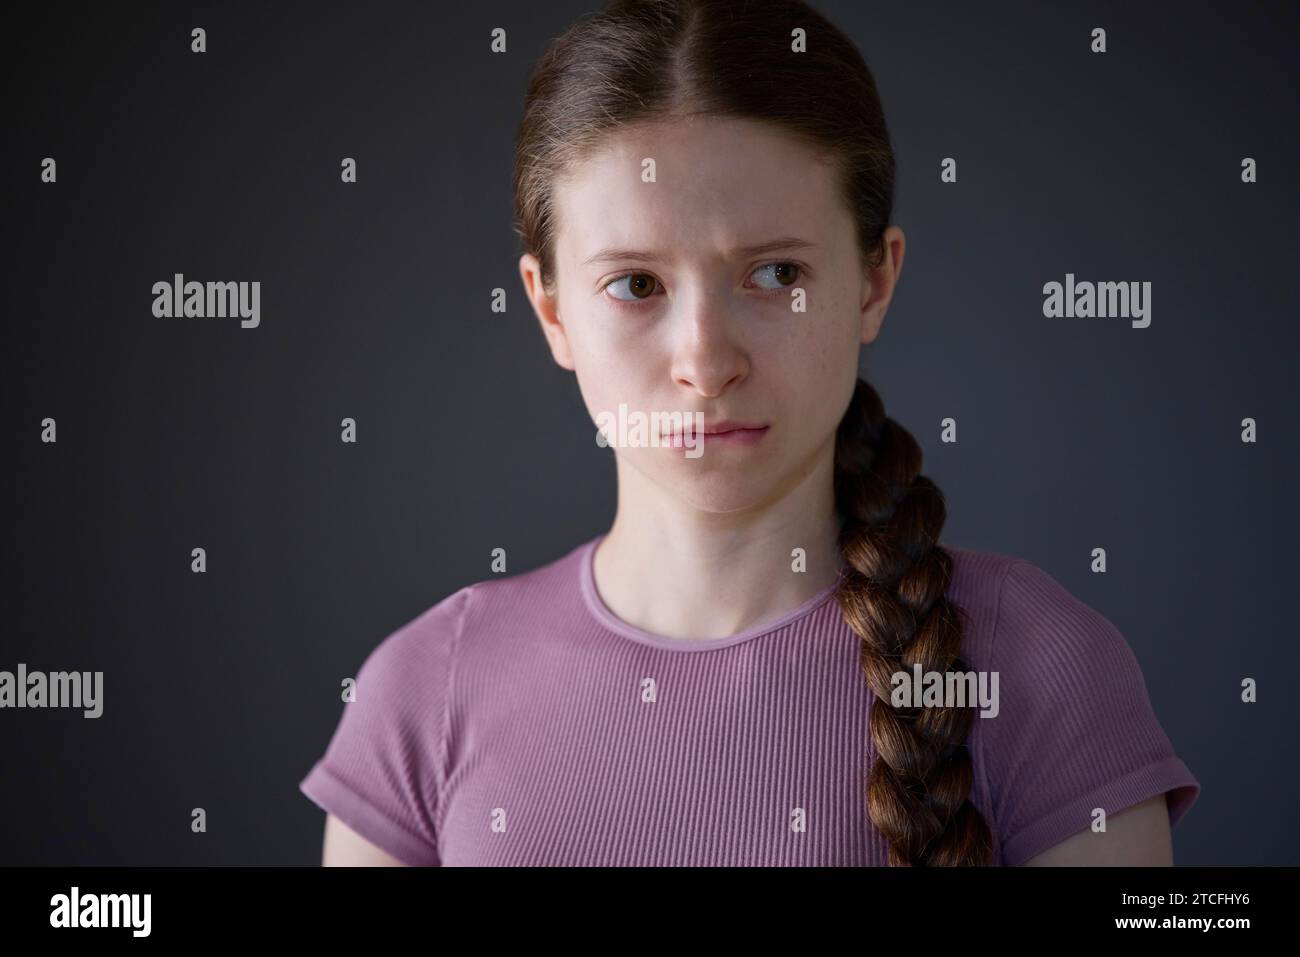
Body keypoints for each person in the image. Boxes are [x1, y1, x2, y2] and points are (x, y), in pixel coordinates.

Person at [300, 0, 1199, 866]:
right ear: (551, 309)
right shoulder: (423, 691)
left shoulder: (1044, 667)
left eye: (775, 273)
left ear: (873, 283)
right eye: (636, 285)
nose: (705, 361)